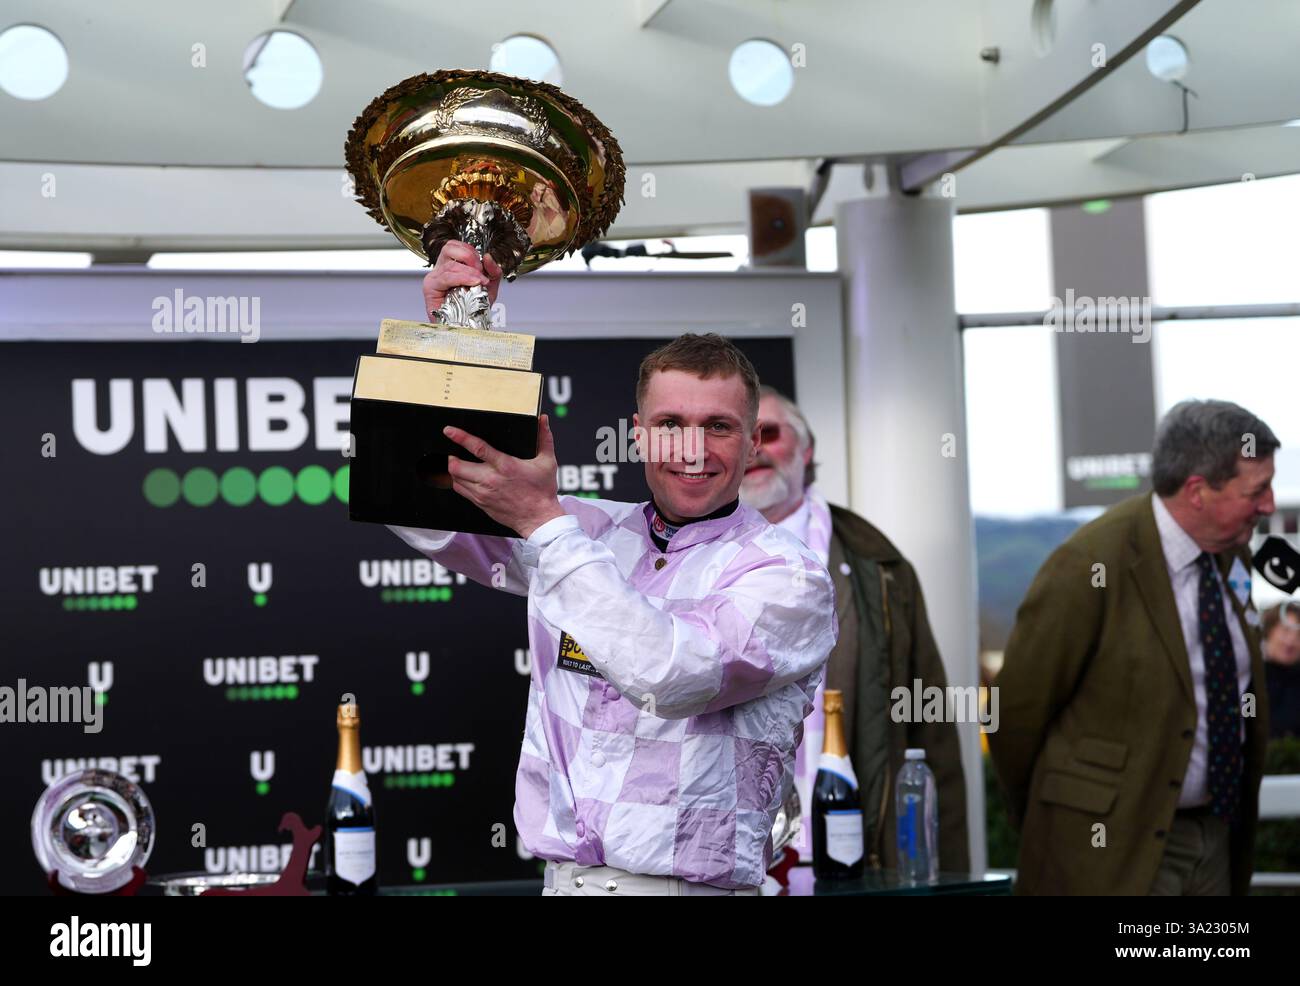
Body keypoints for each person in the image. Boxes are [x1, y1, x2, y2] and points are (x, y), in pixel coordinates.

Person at [389, 242, 838, 896]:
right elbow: (417, 509)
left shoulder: (788, 576)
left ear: (749, 443)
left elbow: (670, 674)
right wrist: (453, 339)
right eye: (669, 423)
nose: (691, 448)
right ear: (637, 435)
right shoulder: (587, 529)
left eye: (718, 426)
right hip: (562, 883)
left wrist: (543, 523)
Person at [990, 399, 1277, 895]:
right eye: (1256, 490)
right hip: (1113, 852)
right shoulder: (1088, 565)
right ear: (1197, 492)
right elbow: (1015, 712)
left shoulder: (1234, 557)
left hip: (1216, 837)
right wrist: (1053, 815)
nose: (1270, 503)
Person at [740, 386, 970, 873]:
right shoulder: (680, 558)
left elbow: (930, 729)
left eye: (771, 433)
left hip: (850, 856)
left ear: (807, 450)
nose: (756, 448)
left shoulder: (880, 567)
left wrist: (944, 866)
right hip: (722, 859)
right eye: (743, 435)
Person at [1262, 602, 1300, 739]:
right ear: (1270, 630)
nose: (1291, 641)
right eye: (1285, 631)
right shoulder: (1251, 679)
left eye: (1299, 635)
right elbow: (1248, 716)